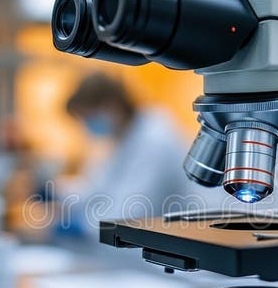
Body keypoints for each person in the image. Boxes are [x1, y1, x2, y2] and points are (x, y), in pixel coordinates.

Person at [61, 73, 204, 227]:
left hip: (171, 232)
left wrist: (78, 226)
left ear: (111, 105)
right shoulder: (119, 138)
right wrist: (58, 196)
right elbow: (98, 191)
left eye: (89, 117)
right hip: (139, 232)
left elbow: (130, 214)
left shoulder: (154, 139)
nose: (87, 125)